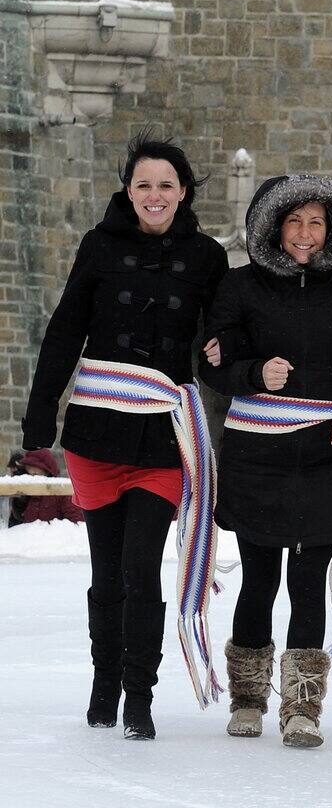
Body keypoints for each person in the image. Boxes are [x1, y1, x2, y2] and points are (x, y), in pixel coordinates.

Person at [22, 133, 228, 740]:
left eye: (167, 184)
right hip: (97, 434)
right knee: (105, 571)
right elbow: (65, 332)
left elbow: (224, 338)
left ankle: (139, 694)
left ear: (183, 192)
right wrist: (40, 421)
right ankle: (103, 682)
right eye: (144, 184)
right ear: (128, 191)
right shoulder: (99, 246)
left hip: (163, 438)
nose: (155, 195)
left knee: (143, 570)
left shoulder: (208, 257)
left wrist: (227, 357)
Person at [201, 174, 332, 749]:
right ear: (275, 227)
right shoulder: (239, 285)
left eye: (317, 223)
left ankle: (303, 708)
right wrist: (254, 374)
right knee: (259, 581)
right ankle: (249, 699)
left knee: (307, 584)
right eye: (295, 221)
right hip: (257, 458)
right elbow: (212, 365)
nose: (306, 234)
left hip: (324, 456)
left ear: (331, 230)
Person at [14, 448, 84, 525]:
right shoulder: (28, 491)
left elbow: (76, 523)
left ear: (46, 470)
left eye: (35, 471)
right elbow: (18, 524)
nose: (31, 473)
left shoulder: (62, 491)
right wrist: (19, 503)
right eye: (28, 468)